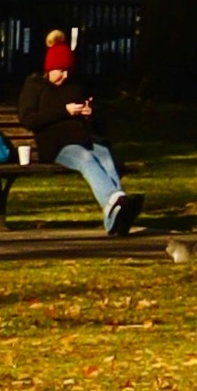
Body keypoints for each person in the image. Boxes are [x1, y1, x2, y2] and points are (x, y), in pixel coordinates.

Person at [19, 19, 134, 236]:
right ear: (49, 68)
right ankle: (115, 200)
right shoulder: (35, 86)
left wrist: (89, 113)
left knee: (106, 157)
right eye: (59, 71)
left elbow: (93, 119)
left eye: (66, 70)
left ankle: (115, 221)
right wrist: (65, 111)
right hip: (56, 144)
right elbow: (29, 119)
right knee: (85, 158)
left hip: (83, 137)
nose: (64, 75)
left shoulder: (74, 86)